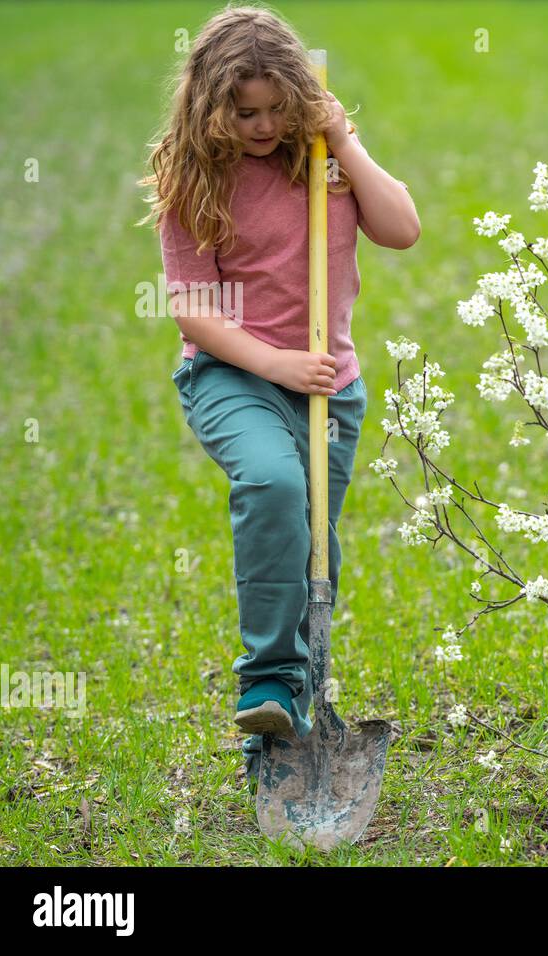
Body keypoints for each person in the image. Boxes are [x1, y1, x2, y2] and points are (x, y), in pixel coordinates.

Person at [137, 4, 420, 792]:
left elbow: (402, 229)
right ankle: (265, 680)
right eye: (242, 112)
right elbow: (191, 306)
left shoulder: (324, 161)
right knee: (272, 484)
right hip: (232, 373)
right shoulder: (194, 173)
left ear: (302, 97)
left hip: (332, 385)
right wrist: (275, 362)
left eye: (275, 109)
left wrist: (346, 141)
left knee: (311, 544)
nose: (261, 127)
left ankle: (296, 707)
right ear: (207, 104)